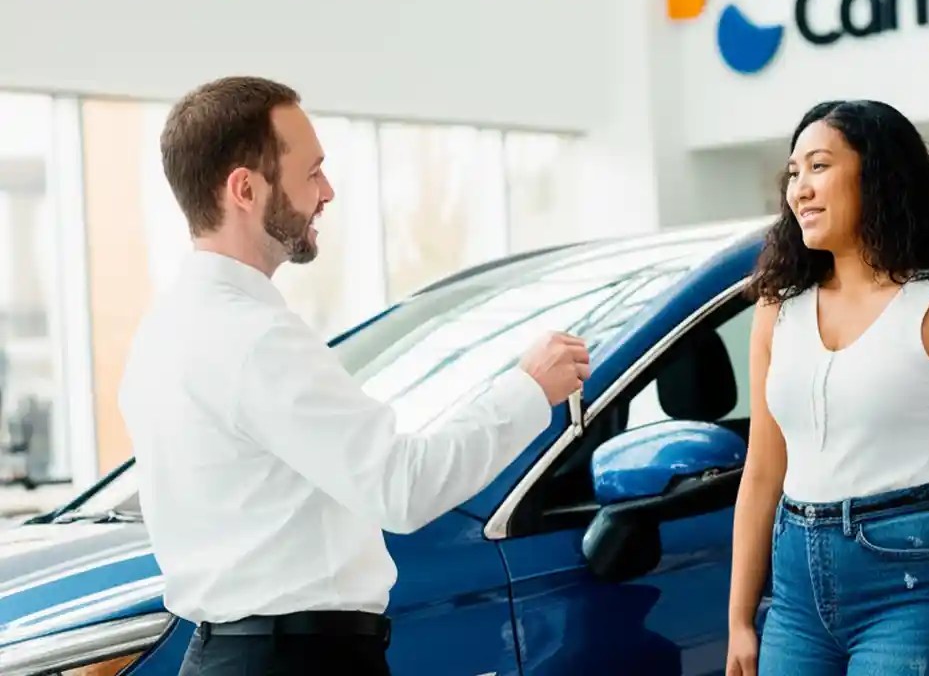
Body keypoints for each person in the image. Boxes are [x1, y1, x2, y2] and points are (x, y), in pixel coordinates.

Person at [117, 76, 590, 675]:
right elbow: (403, 487)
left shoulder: (164, 331)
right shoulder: (254, 339)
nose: (328, 191)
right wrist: (529, 389)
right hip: (298, 661)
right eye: (312, 172)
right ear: (245, 188)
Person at [724, 99, 929, 676]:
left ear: (877, 174)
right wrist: (737, 621)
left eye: (820, 166)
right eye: (793, 172)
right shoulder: (777, 311)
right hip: (795, 594)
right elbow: (761, 472)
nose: (800, 188)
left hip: (909, 584)